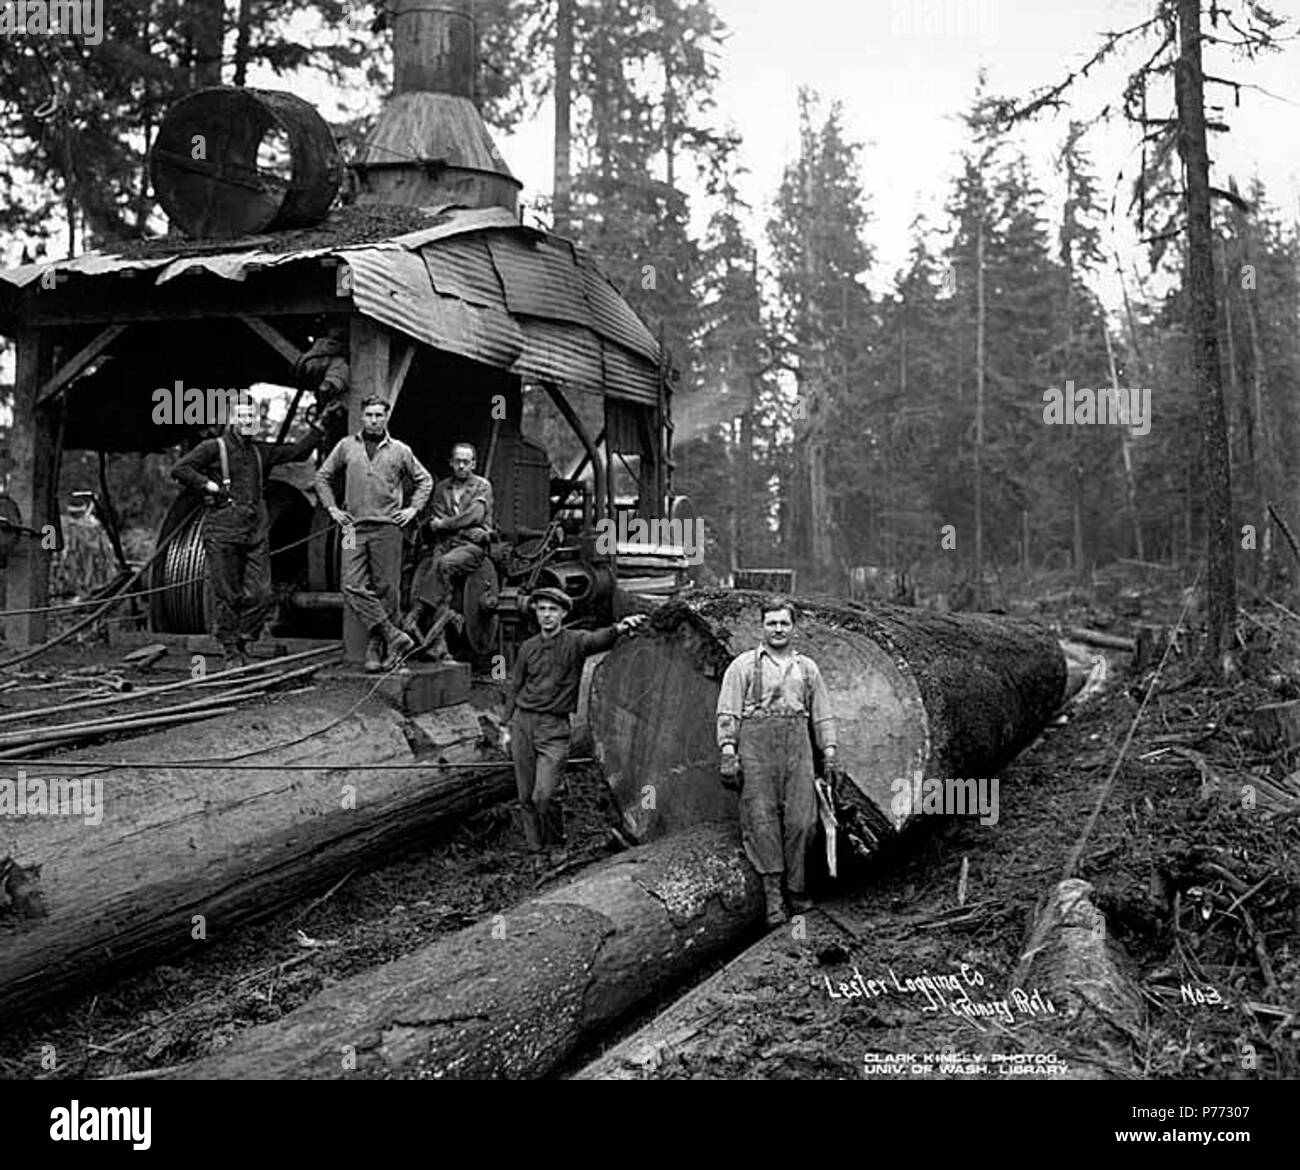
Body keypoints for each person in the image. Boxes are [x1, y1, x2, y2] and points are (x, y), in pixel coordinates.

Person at [171, 396, 332, 666]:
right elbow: (181, 468)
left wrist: (320, 427)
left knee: (262, 594)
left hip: (255, 531)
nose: (247, 421)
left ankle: (243, 639)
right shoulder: (214, 448)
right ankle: (231, 651)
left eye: (251, 417)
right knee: (228, 595)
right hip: (222, 530)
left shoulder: (260, 452)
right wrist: (207, 486)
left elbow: (297, 453)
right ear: (232, 419)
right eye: (242, 416)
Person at [500, 587, 647, 866]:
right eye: (542, 609)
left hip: (553, 727)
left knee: (545, 794)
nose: (546, 615)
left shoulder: (576, 642)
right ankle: (537, 851)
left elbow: (599, 638)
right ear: (535, 612)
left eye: (553, 610)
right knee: (526, 797)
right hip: (522, 723)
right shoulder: (528, 647)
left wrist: (622, 626)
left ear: (564, 613)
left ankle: (556, 843)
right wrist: (505, 725)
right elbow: (515, 685)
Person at [716, 597, 839, 926]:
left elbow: (822, 714)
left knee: (803, 821)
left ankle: (796, 889)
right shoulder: (742, 666)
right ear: (762, 627)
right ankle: (773, 897)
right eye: (772, 623)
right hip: (755, 750)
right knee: (761, 820)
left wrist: (828, 751)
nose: (778, 629)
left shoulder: (807, 668)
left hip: (797, 747)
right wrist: (728, 751)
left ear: (793, 627)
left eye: (784, 623)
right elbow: (727, 711)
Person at [313, 396, 433, 672]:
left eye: (379, 415)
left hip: (387, 528)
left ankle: (378, 647)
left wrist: (413, 510)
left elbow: (424, 480)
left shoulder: (400, 450)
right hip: (352, 528)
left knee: (386, 589)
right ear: (362, 417)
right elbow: (322, 477)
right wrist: (332, 509)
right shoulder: (346, 446)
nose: (374, 420)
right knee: (351, 585)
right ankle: (393, 634)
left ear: (386, 417)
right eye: (369, 415)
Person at [404, 441, 495, 661]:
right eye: (458, 461)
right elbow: (436, 518)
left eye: (466, 462)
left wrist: (446, 525)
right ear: (451, 463)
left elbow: (474, 515)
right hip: (444, 544)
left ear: (473, 464)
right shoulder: (441, 488)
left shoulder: (483, 486)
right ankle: (440, 644)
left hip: (471, 548)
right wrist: (456, 526)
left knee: (442, 565)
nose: (462, 466)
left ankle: (416, 612)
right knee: (439, 577)